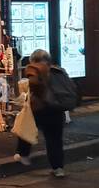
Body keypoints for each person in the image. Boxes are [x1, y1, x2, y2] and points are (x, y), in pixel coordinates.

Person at [13, 49, 76, 178]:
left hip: (41, 107)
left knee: (26, 127)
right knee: (55, 140)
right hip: (57, 109)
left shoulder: (34, 69)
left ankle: (23, 154)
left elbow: (33, 85)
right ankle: (58, 168)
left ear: (33, 60)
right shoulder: (60, 71)